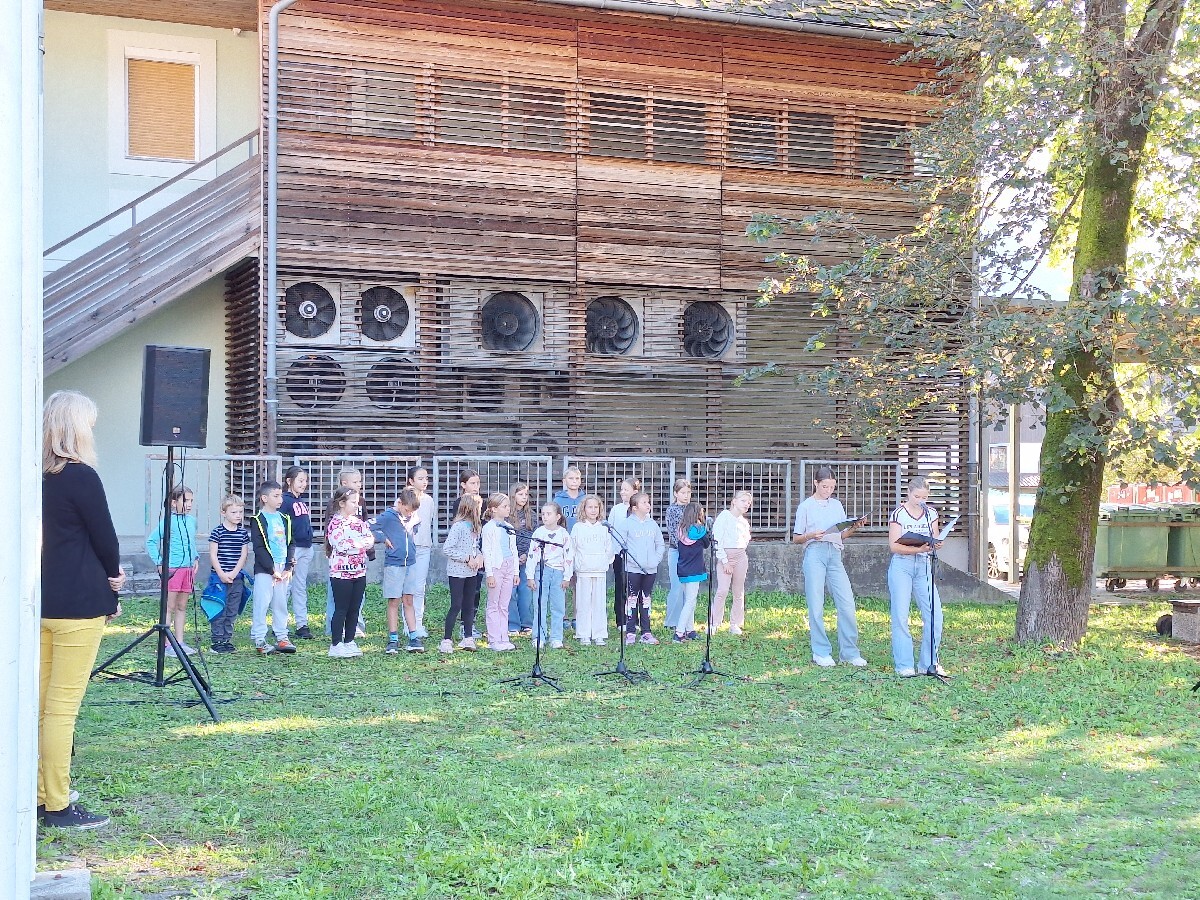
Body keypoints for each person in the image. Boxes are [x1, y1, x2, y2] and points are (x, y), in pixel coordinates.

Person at [39, 390, 125, 829]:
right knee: (62, 709)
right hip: (79, 604)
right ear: (76, 428)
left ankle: (38, 794)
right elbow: (105, 539)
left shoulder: (36, 477)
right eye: (89, 423)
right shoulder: (81, 476)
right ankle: (56, 804)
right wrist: (115, 575)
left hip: (40, 602)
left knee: (40, 705)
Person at [792, 468, 867, 667]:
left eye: (832, 487)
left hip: (835, 553)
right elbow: (796, 538)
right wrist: (810, 535)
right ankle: (821, 651)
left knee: (847, 604)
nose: (828, 490)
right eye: (825, 486)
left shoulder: (837, 505)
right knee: (816, 604)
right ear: (815, 483)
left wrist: (854, 527)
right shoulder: (805, 506)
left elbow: (840, 534)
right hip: (814, 552)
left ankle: (850, 652)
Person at [888, 476, 946, 677]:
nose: (920, 500)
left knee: (934, 615)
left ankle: (929, 663)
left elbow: (935, 537)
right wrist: (917, 549)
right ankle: (904, 664)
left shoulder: (931, 513)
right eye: (917, 496)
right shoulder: (899, 514)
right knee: (901, 615)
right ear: (909, 493)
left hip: (924, 565)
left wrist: (936, 543)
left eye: (924, 496)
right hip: (902, 566)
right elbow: (894, 545)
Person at [144, 484, 198, 656]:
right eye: (185, 500)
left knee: (182, 606)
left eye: (191, 501)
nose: (189, 504)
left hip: (188, 570)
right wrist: (160, 562)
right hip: (173, 570)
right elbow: (151, 542)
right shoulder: (167, 521)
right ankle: (167, 644)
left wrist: (195, 557)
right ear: (174, 502)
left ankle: (179, 642)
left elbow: (191, 542)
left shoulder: (191, 521)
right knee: (169, 607)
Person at [371, 488, 423, 654]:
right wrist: (382, 538)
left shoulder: (412, 517)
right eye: (407, 510)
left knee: (409, 599)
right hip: (394, 564)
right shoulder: (388, 516)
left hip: (411, 563)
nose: (409, 514)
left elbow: (413, 531)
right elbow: (368, 527)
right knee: (394, 601)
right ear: (400, 504)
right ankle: (393, 637)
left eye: (412, 512)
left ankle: (413, 636)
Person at [325, 486, 375, 658]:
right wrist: (358, 544)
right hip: (341, 573)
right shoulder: (335, 523)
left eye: (357, 502)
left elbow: (370, 539)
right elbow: (341, 545)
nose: (356, 505)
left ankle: (349, 640)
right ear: (342, 503)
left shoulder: (358, 522)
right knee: (341, 609)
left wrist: (357, 543)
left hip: (359, 571)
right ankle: (336, 643)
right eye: (352, 502)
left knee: (354, 609)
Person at [249, 480, 297, 655]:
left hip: (282, 567)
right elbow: (259, 547)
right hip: (266, 568)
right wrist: (272, 570)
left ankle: (282, 637)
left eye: (281, 496)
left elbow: (291, 543)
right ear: (264, 498)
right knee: (262, 603)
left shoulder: (284, 519)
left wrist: (288, 566)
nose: (280, 499)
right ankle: (260, 638)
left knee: (281, 603)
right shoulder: (258, 520)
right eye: (275, 496)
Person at [617, 491, 665, 644]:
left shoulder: (652, 524)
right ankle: (630, 631)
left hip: (650, 570)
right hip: (633, 570)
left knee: (646, 599)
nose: (648, 505)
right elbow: (620, 546)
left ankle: (646, 632)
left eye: (648, 502)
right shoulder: (626, 524)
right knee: (631, 599)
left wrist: (655, 560)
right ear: (634, 507)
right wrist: (631, 560)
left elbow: (660, 544)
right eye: (644, 502)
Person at [325, 468, 368, 638]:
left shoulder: (360, 504)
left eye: (360, 481)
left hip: (358, 567)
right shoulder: (334, 507)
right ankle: (334, 630)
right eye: (356, 482)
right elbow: (338, 541)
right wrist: (357, 543)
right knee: (338, 602)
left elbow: (368, 534)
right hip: (340, 567)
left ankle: (354, 629)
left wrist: (361, 546)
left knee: (356, 603)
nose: (360, 485)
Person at [441, 495, 484, 653]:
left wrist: (479, 556)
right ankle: (446, 639)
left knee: (469, 604)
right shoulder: (458, 527)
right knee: (456, 604)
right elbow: (448, 549)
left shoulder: (476, 527)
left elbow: (475, 547)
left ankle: (468, 637)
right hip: (457, 572)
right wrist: (467, 559)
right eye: (478, 506)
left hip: (471, 572)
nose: (481, 509)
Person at [527, 502, 573, 650]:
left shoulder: (563, 534)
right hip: (542, 570)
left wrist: (567, 577)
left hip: (558, 573)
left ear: (558, 516)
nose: (545, 517)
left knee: (558, 606)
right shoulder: (539, 533)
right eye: (543, 514)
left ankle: (556, 637)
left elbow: (569, 556)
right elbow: (532, 555)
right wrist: (530, 576)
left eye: (548, 514)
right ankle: (539, 636)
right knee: (540, 604)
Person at [208, 494, 250, 653]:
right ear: (223, 512)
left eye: (240, 512)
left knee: (232, 609)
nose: (238, 515)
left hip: (236, 578)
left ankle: (227, 639)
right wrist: (221, 573)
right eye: (234, 512)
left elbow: (243, 555)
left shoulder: (242, 533)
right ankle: (217, 640)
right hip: (219, 578)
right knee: (219, 608)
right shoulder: (217, 532)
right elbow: (213, 554)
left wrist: (233, 573)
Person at [571, 494, 613, 646]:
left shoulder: (604, 527)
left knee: (599, 603)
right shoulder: (578, 527)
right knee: (583, 602)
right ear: (584, 509)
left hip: (599, 570)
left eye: (596, 507)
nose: (593, 510)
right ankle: (583, 634)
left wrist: (604, 562)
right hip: (583, 570)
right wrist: (577, 565)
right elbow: (573, 548)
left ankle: (599, 633)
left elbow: (609, 548)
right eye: (590, 507)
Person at [710, 490, 754, 636]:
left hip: (741, 556)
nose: (747, 504)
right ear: (734, 501)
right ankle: (714, 623)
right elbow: (717, 540)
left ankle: (735, 623)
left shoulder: (743, 522)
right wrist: (724, 561)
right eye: (743, 500)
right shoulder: (724, 517)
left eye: (749, 502)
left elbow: (746, 539)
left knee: (738, 591)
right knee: (722, 590)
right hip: (726, 557)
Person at [481, 492, 519, 652]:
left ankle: (504, 637)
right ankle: (494, 638)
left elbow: (514, 550)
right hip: (496, 567)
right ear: (494, 509)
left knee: (504, 604)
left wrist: (516, 572)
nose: (508, 509)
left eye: (508, 506)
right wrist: (489, 573)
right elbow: (487, 551)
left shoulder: (509, 527)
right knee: (493, 604)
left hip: (509, 566)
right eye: (505, 507)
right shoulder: (489, 528)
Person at [281, 466, 315, 640]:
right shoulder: (285, 501)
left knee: (300, 587)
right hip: (293, 549)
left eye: (306, 481)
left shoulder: (300, 501)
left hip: (306, 547)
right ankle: (281, 625)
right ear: (289, 481)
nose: (304, 484)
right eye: (300, 480)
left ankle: (302, 624)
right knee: (285, 587)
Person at [553, 466, 585, 632]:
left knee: (577, 583)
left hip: (581, 545)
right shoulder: (558, 500)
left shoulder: (585, 499)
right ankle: (564, 616)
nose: (574, 482)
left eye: (577, 479)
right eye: (571, 478)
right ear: (564, 481)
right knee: (565, 580)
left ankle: (577, 615)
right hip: (563, 545)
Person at [406, 465, 436, 639]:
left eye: (426, 478)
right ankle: (408, 623)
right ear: (411, 481)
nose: (424, 481)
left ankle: (418, 622)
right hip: (408, 547)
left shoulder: (429, 500)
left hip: (424, 546)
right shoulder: (404, 499)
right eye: (420, 478)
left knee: (420, 586)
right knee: (408, 585)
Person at [673, 501, 709, 642]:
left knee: (688, 601)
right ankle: (679, 632)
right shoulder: (700, 531)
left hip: (682, 569)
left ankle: (690, 630)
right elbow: (707, 543)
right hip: (695, 570)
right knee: (690, 601)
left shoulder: (681, 529)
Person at [607, 477, 639, 630]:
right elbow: (610, 530)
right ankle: (621, 620)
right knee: (621, 586)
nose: (622, 492)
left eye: (626, 489)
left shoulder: (641, 508)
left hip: (636, 555)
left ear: (635, 491)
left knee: (635, 587)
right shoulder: (616, 509)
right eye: (621, 489)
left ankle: (635, 619)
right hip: (619, 554)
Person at [663, 477, 692, 635]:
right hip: (677, 551)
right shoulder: (672, 510)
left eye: (688, 492)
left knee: (689, 589)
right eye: (682, 492)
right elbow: (674, 533)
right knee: (676, 586)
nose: (686, 496)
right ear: (676, 493)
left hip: (691, 553)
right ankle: (672, 620)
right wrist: (685, 546)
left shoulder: (691, 509)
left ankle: (686, 621)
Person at [506, 482, 536, 637]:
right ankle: (512, 624)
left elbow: (534, 537)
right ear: (513, 495)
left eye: (526, 495)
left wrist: (525, 554)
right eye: (520, 494)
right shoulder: (506, 515)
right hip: (511, 559)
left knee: (525, 591)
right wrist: (515, 556)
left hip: (527, 558)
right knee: (511, 591)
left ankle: (526, 623)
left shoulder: (532, 515)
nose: (524, 497)